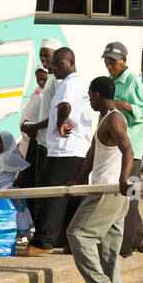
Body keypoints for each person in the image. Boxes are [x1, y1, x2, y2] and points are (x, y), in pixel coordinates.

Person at [65, 76, 135, 283]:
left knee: (77, 234)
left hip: (108, 191)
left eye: (89, 95)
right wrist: (78, 180)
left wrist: (124, 179)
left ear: (97, 95)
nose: (89, 100)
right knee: (108, 249)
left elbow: (128, 151)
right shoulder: (105, 118)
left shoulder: (114, 121)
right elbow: (92, 154)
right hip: (110, 192)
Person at [25, 47, 94, 256]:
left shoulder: (68, 84)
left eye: (59, 63)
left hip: (65, 150)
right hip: (79, 150)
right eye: (53, 64)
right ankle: (71, 241)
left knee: (52, 197)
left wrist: (62, 122)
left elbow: (64, 105)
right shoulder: (80, 82)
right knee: (73, 198)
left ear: (71, 63)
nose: (54, 68)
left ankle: (43, 242)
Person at [101, 42, 143, 258]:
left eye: (113, 61)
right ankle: (138, 238)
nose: (110, 65)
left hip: (133, 150)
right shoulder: (112, 81)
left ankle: (125, 245)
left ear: (124, 61)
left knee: (130, 196)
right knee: (127, 195)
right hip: (117, 149)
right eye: (107, 61)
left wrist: (126, 106)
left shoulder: (134, 81)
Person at [17, 66, 51, 189]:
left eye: (44, 79)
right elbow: (26, 116)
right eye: (38, 79)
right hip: (33, 140)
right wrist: (26, 126)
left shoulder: (50, 94)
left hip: (45, 141)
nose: (41, 82)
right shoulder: (36, 94)